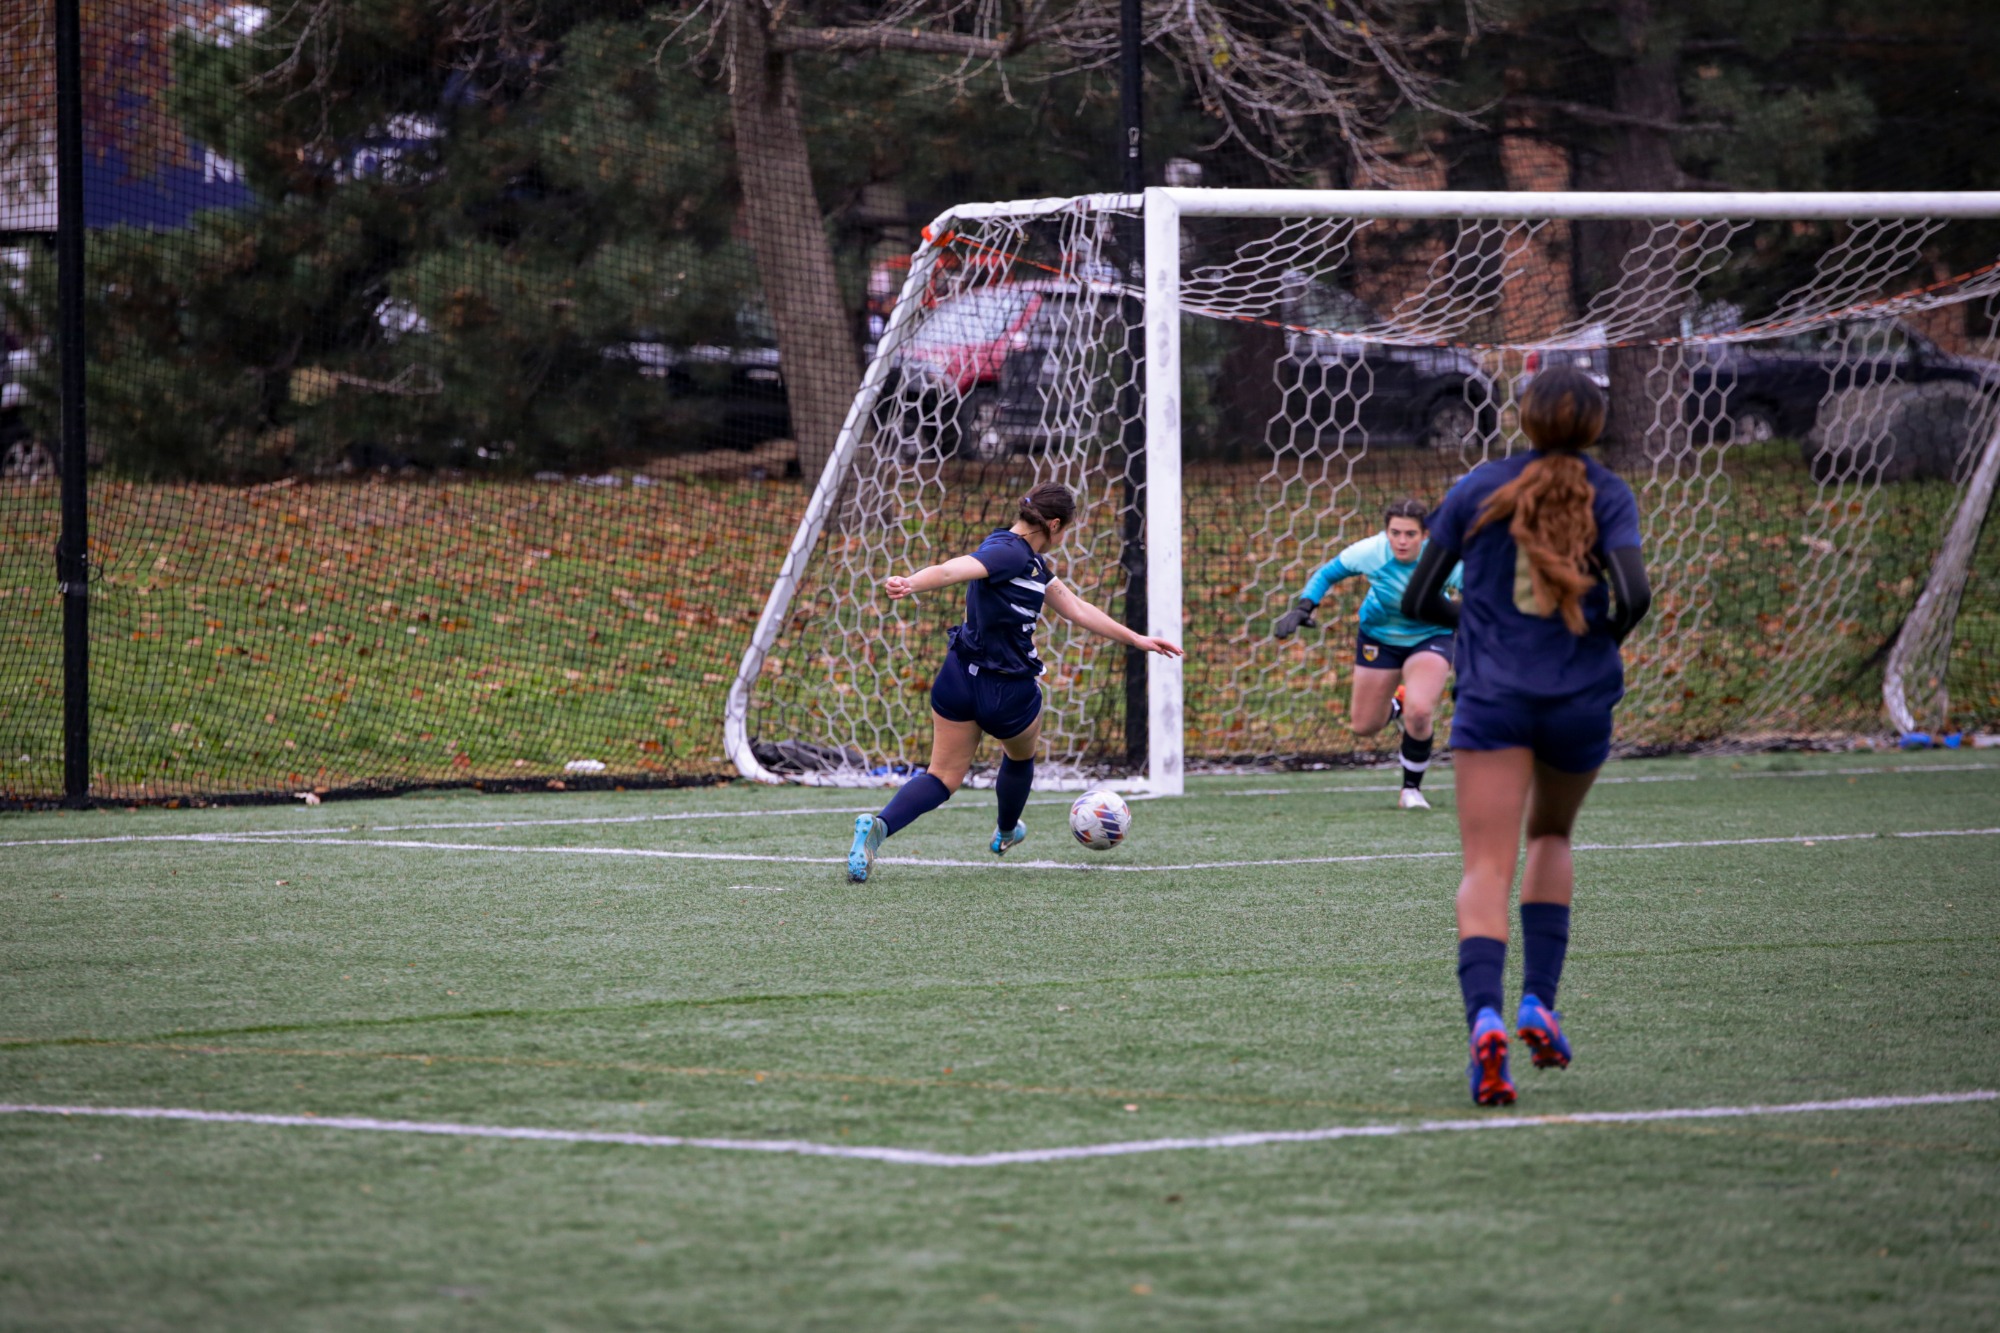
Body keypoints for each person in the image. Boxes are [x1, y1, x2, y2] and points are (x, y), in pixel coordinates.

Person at [1401, 365, 1652, 1107]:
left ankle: (1486, 1018)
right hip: (1579, 697)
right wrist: (1594, 639)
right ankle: (1539, 1001)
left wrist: (1482, 622)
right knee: (1551, 840)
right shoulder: (1608, 492)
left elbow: (1420, 597)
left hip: (1494, 700)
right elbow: (1634, 594)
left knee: (1486, 864)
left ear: (1524, 418)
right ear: (1594, 425)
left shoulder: (1478, 488)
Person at [846, 482, 1184, 882]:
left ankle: (880, 827)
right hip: (1008, 690)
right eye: (1065, 532)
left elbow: (1075, 607)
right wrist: (912, 582)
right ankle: (1007, 831)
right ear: (1054, 524)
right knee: (1020, 757)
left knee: (941, 776)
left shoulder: (1028, 561)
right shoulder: (1010, 553)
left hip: (957, 678)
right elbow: (955, 569)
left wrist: (1137, 639)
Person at [1272, 499, 1463, 809]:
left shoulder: (1444, 557)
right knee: (1364, 725)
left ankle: (1410, 791)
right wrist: (1304, 607)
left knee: (1421, 712)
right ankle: (1398, 703)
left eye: (1410, 534)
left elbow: (1473, 593)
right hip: (1379, 637)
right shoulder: (1370, 552)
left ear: (1425, 534)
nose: (1402, 541)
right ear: (1385, 532)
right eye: (1395, 532)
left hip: (1431, 635)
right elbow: (1326, 574)